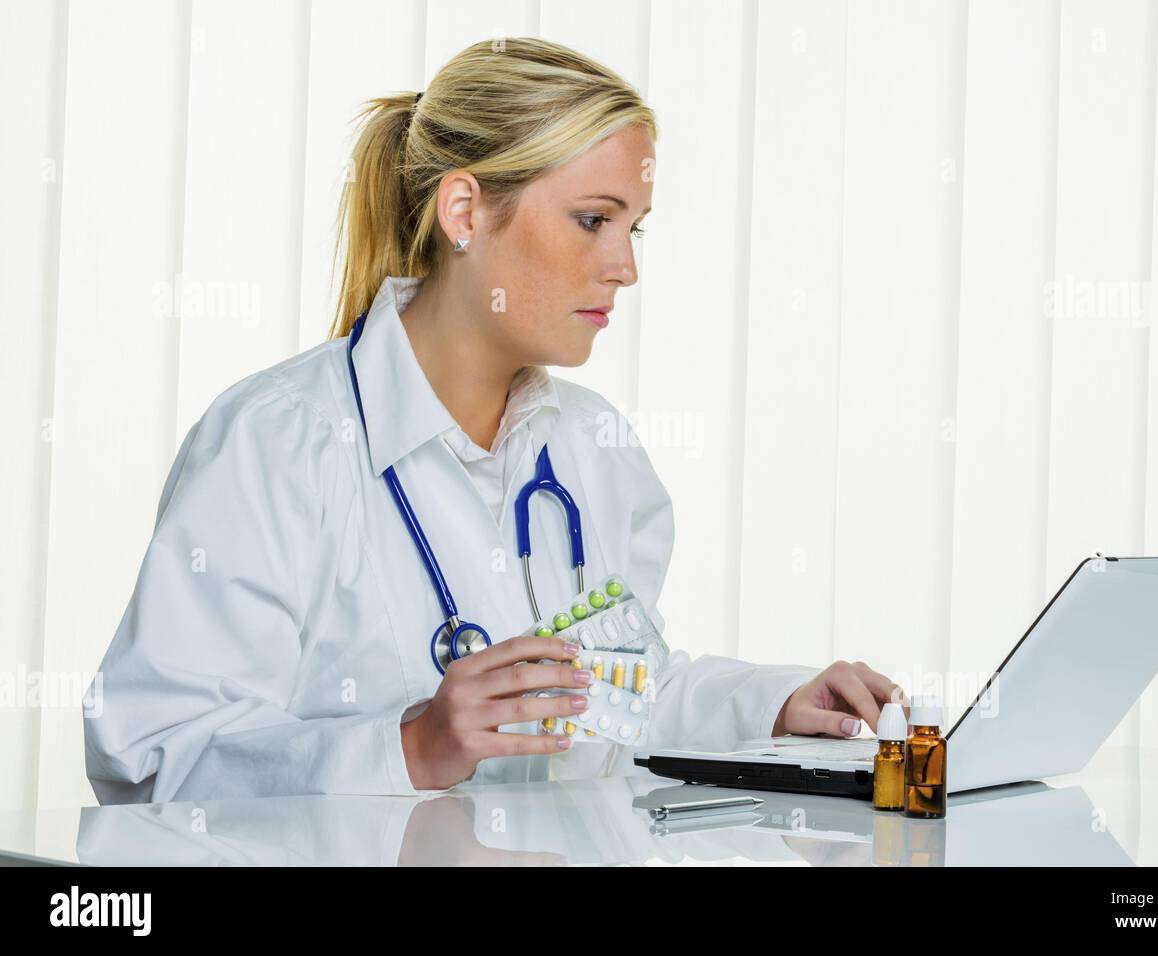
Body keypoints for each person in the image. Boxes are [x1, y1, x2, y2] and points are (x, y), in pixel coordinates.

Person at [84, 37, 905, 804]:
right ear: (465, 212)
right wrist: (410, 749)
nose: (625, 268)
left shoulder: (591, 449)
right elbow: (153, 759)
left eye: (634, 228)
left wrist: (773, 705)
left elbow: (617, 702)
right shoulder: (275, 442)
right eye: (594, 220)